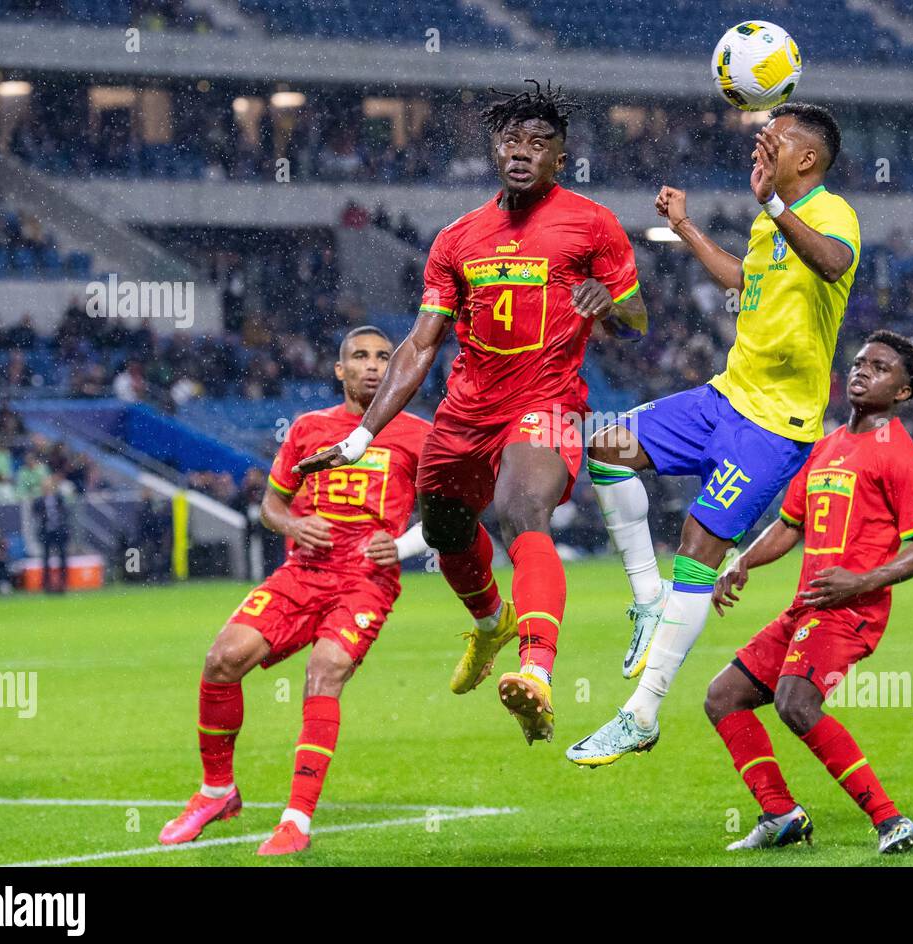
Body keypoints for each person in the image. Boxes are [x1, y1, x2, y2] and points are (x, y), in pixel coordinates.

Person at [292, 82, 648, 746]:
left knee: (521, 510)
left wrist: (612, 304)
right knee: (446, 528)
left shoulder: (592, 223)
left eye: (538, 144)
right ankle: (490, 625)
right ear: (494, 149)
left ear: (560, 159)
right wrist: (361, 435)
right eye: (511, 140)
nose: (522, 153)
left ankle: (536, 670)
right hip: (465, 411)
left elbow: (637, 320)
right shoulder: (458, 239)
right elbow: (421, 343)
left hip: (546, 402)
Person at [570, 102, 860, 765]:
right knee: (605, 448)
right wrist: (684, 226)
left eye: (776, 138)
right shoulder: (769, 219)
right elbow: (744, 281)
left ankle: (641, 712)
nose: (762, 143)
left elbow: (835, 264)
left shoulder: (830, 212)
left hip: (774, 425)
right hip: (724, 396)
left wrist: (777, 208)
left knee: (698, 547)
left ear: (807, 159)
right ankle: (648, 601)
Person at [159, 327, 430, 856]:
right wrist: (293, 527)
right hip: (302, 572)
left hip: (365, 581)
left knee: (323, 671)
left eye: (383, 357)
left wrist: (400, 546)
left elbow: (453, 516)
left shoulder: (418, 435)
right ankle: (217, 791)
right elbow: (270, 505)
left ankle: (296, 822)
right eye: (360, 357)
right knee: (221, 660)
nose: (373, 366)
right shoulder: (310, 428)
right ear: (339, 369)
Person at [705, 332, 913, 854]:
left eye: (881, 368)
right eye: (860, 363)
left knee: (795, 704)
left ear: (903, 392)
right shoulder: (829, 446)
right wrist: (743, 560)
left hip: (850, 611)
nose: (863, 371)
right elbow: (790, 526)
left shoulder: (900, 456)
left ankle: (890, 821)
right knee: (724, 697)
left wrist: (863, 581)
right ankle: (779, 813)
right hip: (808, 607)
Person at [32, 476, 71, 593]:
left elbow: (66, 513)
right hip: (46, 532)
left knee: (62, 558)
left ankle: (63, 583)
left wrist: (59, 521)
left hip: (59, 531)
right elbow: (36, 515)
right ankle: (46, 584)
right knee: (45, 559)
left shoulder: (59, 498)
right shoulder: (39, 501)